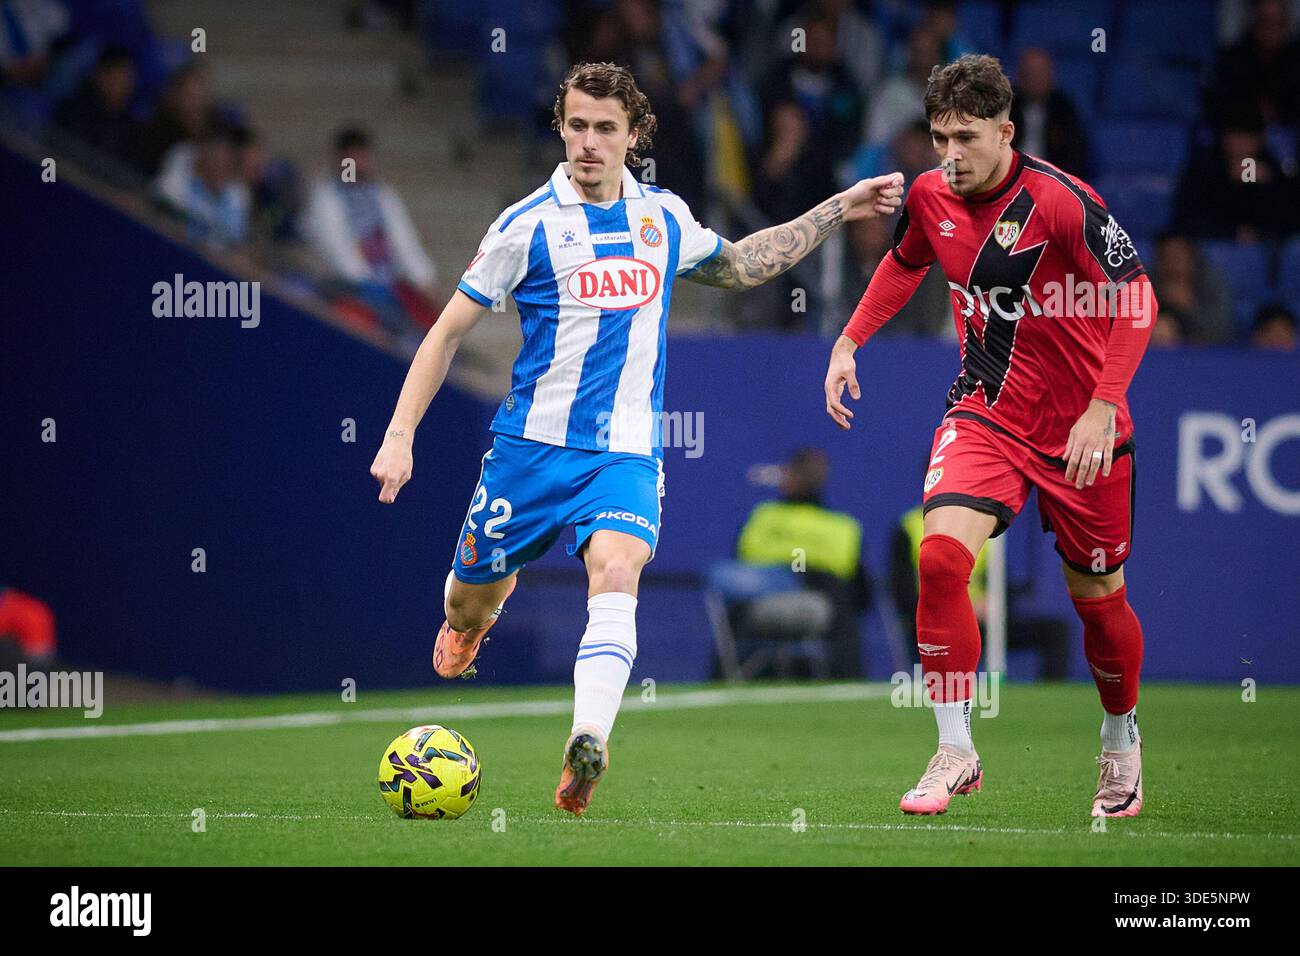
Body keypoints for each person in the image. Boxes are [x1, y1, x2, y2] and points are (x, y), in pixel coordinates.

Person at [370, 61, 902, 816]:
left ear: (633, 136)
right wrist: (399, 436)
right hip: (528, 453)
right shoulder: (525, 226)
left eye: (605, 129)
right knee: (466, 603)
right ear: (561, 126)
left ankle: (588, 739)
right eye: (578, 125)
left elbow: (746, 264)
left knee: (617, 575)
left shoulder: (661, 219)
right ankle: (472, 622)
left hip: (623, 454)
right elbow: (447, 332)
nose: (589, 142)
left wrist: (839, 207)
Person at [824, 55, 1157, 819]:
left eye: (967, 138)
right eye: (940, 137)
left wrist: (1103, 405)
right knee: (938, 557)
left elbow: (1137, 296)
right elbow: (905, 263)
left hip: (1084, 428)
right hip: (987, 414)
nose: (950, 155)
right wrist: (849, 340)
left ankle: (1118, 738)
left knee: (1099, 602)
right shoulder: (931, 195)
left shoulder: (1065, 203)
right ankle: (955, 749)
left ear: (1007, 132)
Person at [735, 448, 873, 678]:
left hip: (826, 603)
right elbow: (745, 561)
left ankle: (848, 679)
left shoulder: (843, 526)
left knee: (837, 598)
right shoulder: (765, 516)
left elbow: (859, 592)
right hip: (768, 595)